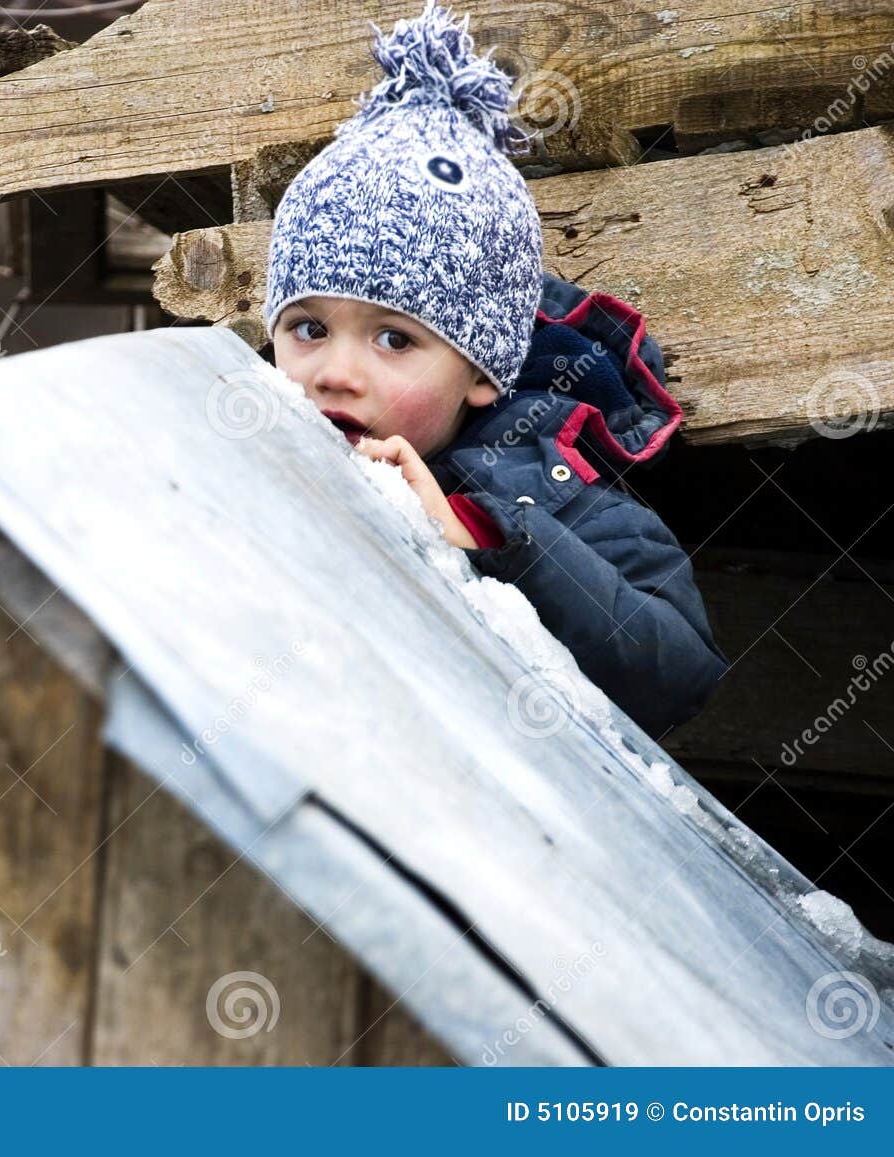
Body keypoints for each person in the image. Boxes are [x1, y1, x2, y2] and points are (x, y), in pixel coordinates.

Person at [261, 0, 727, 736]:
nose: (334, 373)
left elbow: (678, 670)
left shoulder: (546, 485)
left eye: (394, 340)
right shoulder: (247, 448)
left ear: (482, 371)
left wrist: (485, 536)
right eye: (309, 328)